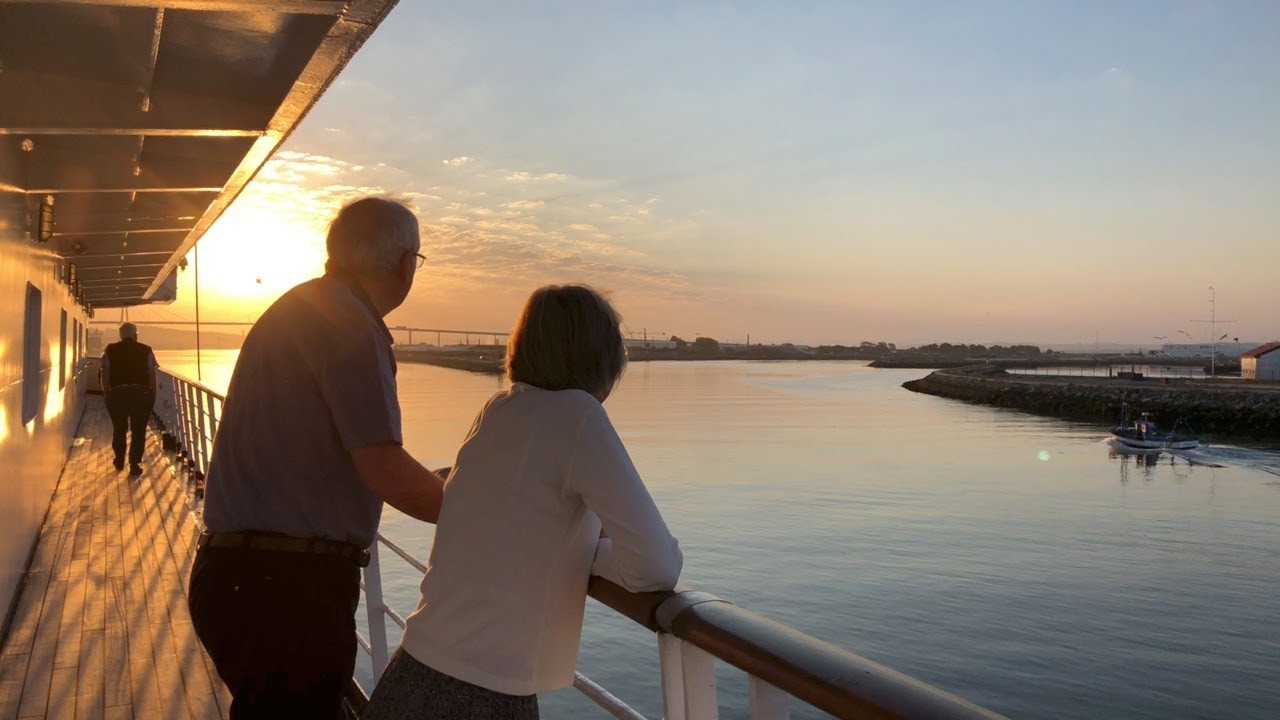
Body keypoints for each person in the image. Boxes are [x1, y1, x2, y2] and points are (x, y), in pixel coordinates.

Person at [364, 285, 684, 720]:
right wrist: (589, 551)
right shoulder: (578, 415)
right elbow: (655, 567)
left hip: (411, 676)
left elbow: (525, 521)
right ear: (602, 358)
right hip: (481, 697)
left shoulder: (497, 409)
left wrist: (577, 545)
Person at [188, 197, 448, 719]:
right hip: (285, 591)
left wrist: (440, 482)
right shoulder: (350, 325)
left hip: (245, 578)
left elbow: (337, 453)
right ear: (403, 263)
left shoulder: (303, 306)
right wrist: (484, 506)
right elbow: (383, 469)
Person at [100, 322, 158, 476]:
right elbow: (152, 374)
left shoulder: (110, 350)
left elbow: (105, 373)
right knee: (138, 430)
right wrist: (153, 394)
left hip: (117, 394)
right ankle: (134, 464)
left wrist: (106, 392)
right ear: (135, 334)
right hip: (141, 394)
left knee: (119, 428)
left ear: (121, 335)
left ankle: (119, 458)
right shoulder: (146, 350)